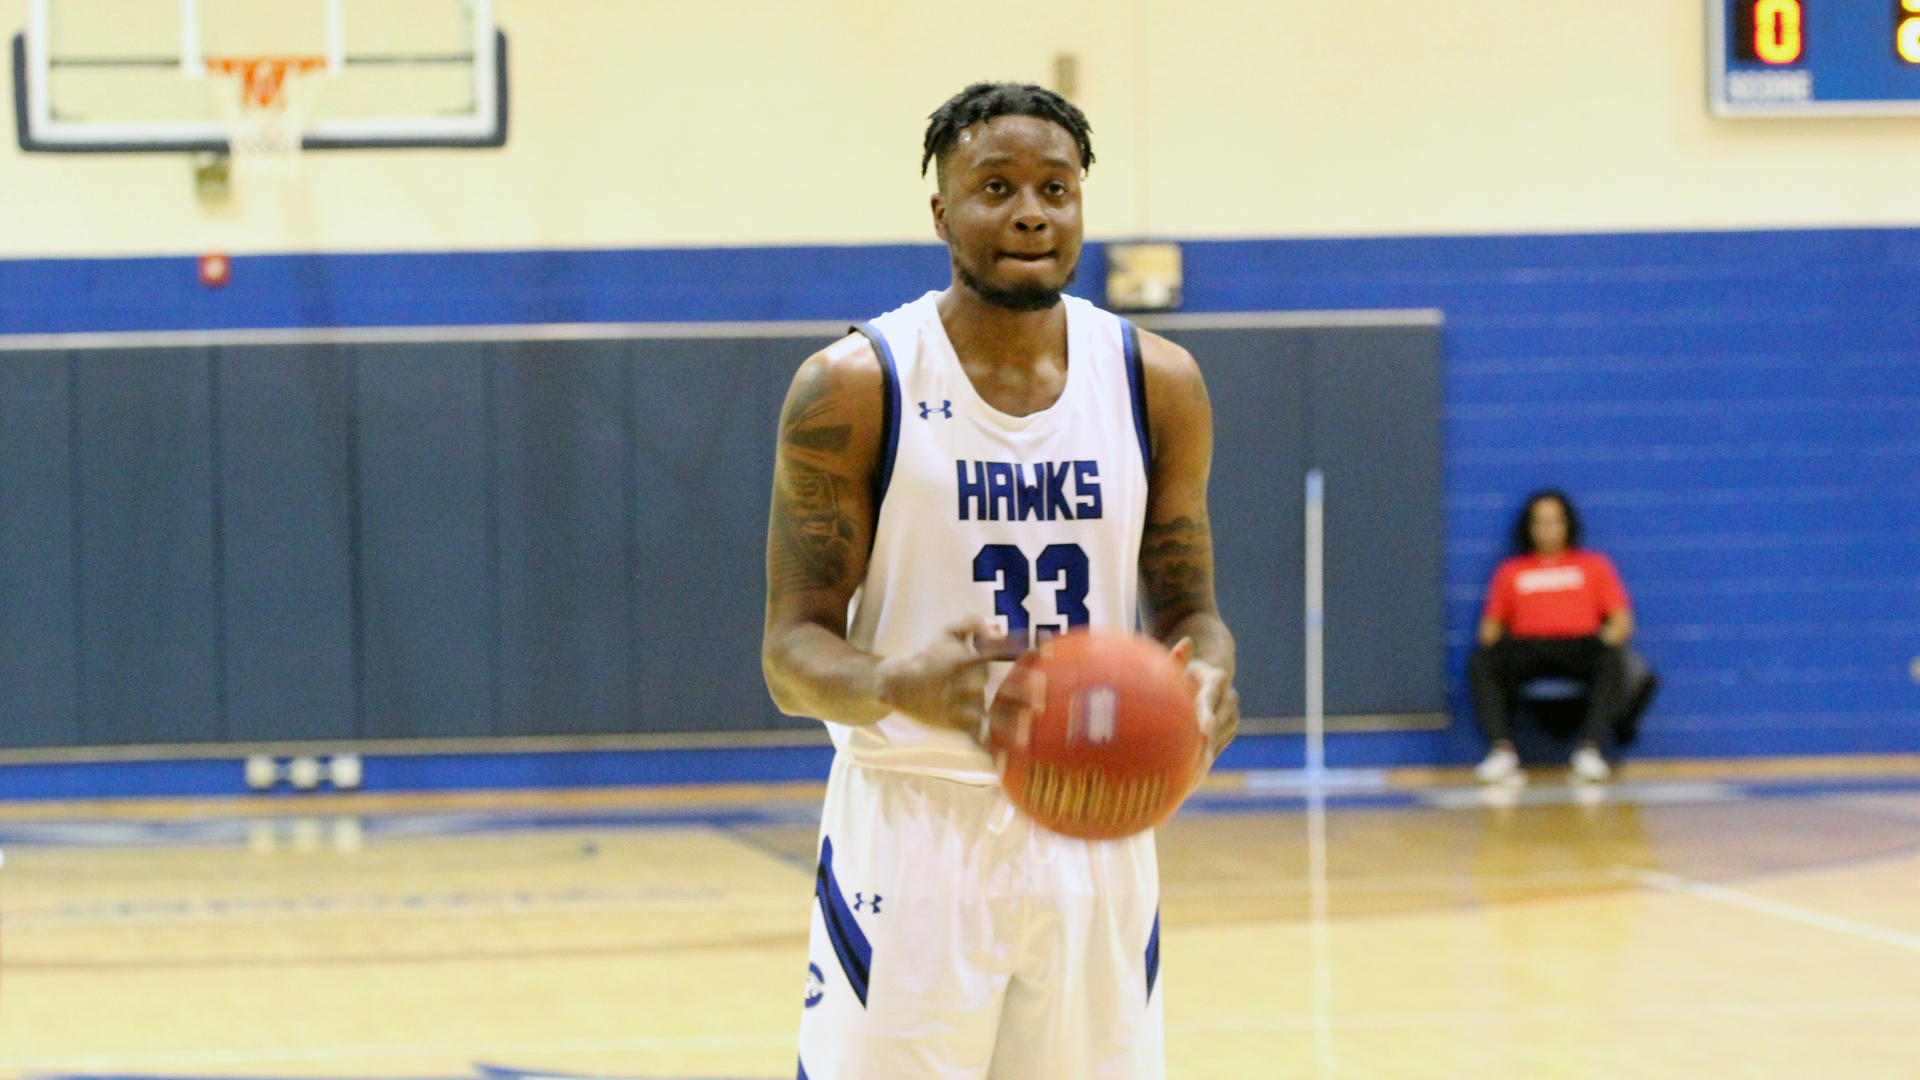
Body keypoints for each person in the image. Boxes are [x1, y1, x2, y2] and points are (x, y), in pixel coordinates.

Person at [761, 82, 1239, 1080]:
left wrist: (1204, 680)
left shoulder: (1158, 382)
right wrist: (896, 683)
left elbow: (1192, 609)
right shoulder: (855, 384)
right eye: (997, 187)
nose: (1031, 211)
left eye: (1055, 189)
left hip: (1098, 828)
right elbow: (790, 654)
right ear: (942, 211)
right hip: (914, 826)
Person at [1469, 489, 1634, 784]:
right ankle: (1501, 752)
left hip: (1579, 647)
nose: (1548, 530)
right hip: (1527, 649)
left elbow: (1621, 621)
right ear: (1529, 528)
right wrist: (1494, 645)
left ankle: (1589, 751)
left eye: (1555, 521)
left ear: (1567, 525)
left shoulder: (1593, 565)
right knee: (1482, 661)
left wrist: (1605, 640)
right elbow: (1489, 629)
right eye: (1540, 522)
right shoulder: (1511, 571)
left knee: (1613, 659)